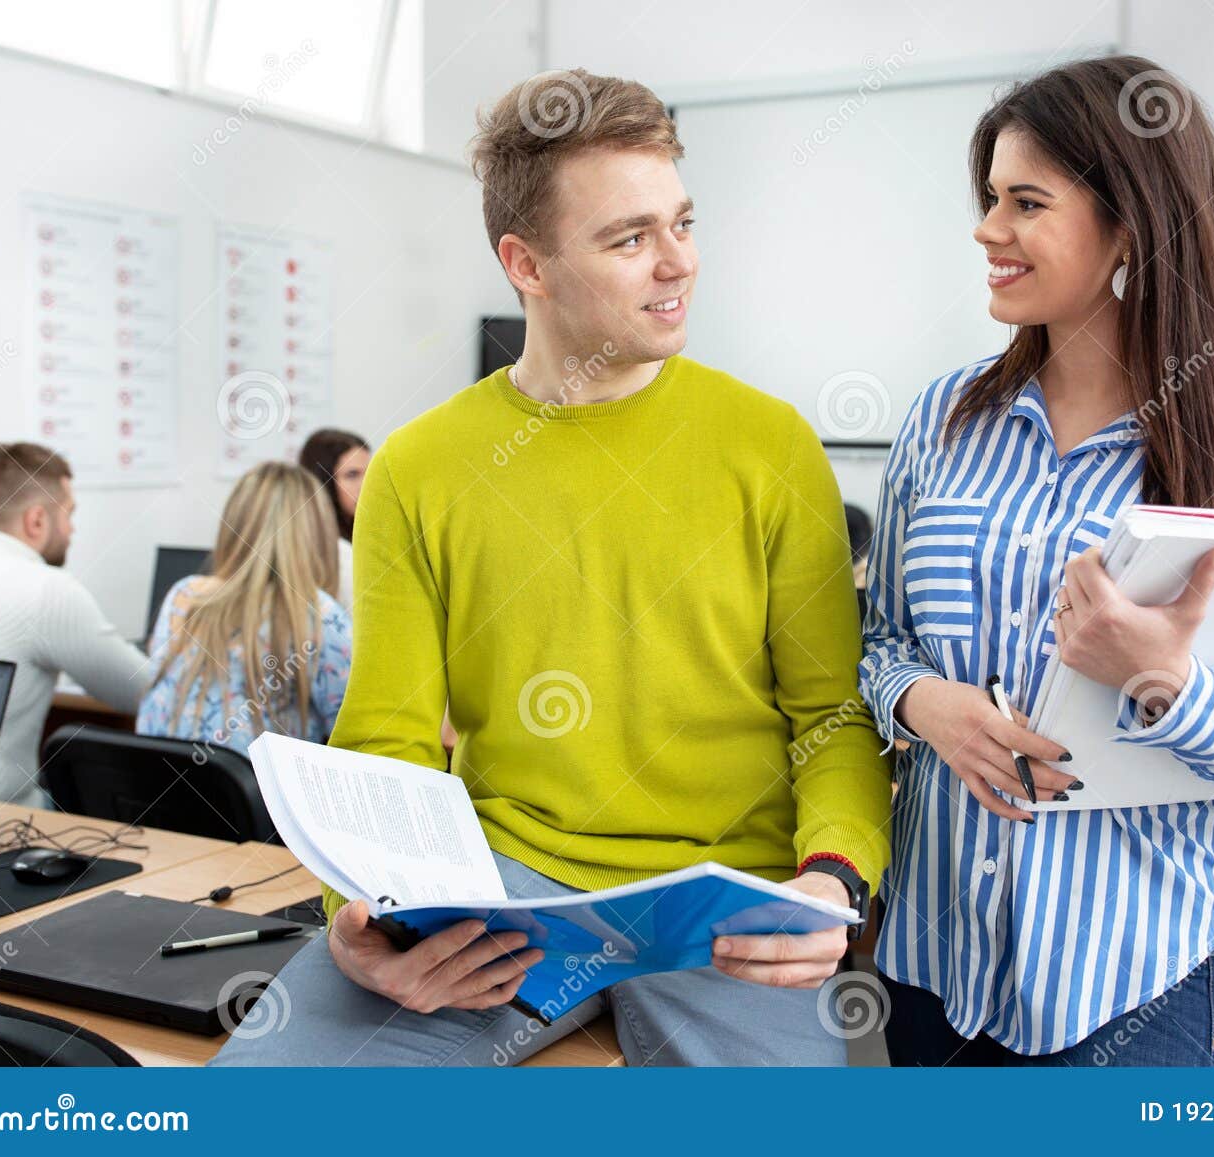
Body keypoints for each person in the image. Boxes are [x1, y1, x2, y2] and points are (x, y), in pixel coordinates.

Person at [211, 69, 890, 1068]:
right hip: (500, 890)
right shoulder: (420, 467)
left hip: (725, 905)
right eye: (629, 238)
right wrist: (361, 911)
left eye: (682, 223)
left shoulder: (771, 445)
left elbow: (830, 718)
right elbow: (386, 736)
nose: (678, 264)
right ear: (524, 263)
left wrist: (830, 882)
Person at [859, 55, 1214, 1066]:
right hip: (932, 960)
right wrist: (922, 703)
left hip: (1134, 980)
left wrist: (1165, 680)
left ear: (1129, 224)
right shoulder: (941, 419)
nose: (986, 230)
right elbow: (879, 641)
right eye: (988, 198)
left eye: (1025, 202)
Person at [0, 442, 151, 808]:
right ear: (36, 520)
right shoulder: (47, 591)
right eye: (69, 514)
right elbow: (144, 692)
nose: (71, 530)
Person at [136, 462, 350, 757]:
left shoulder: (183, 596)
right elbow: (358, 736)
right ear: (319, 536)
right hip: (249, 800)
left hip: (157, 794)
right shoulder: (319, 615)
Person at [299, 428, 370, 611]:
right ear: (323, 482)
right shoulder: (337, 552)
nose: (367, 485)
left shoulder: (370, 535)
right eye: (352, 475)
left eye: (370, 472)